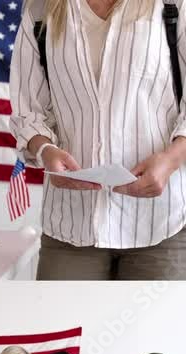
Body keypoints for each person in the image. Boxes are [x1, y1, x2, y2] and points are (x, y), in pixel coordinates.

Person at [11, 0, 186, 280]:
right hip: (71, 227)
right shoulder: (41, 10)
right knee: (63, 324)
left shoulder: (173, 5)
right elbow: (28, 110)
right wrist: (44, 149)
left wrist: (170, 159)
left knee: (155, 326)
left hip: (160, 225)